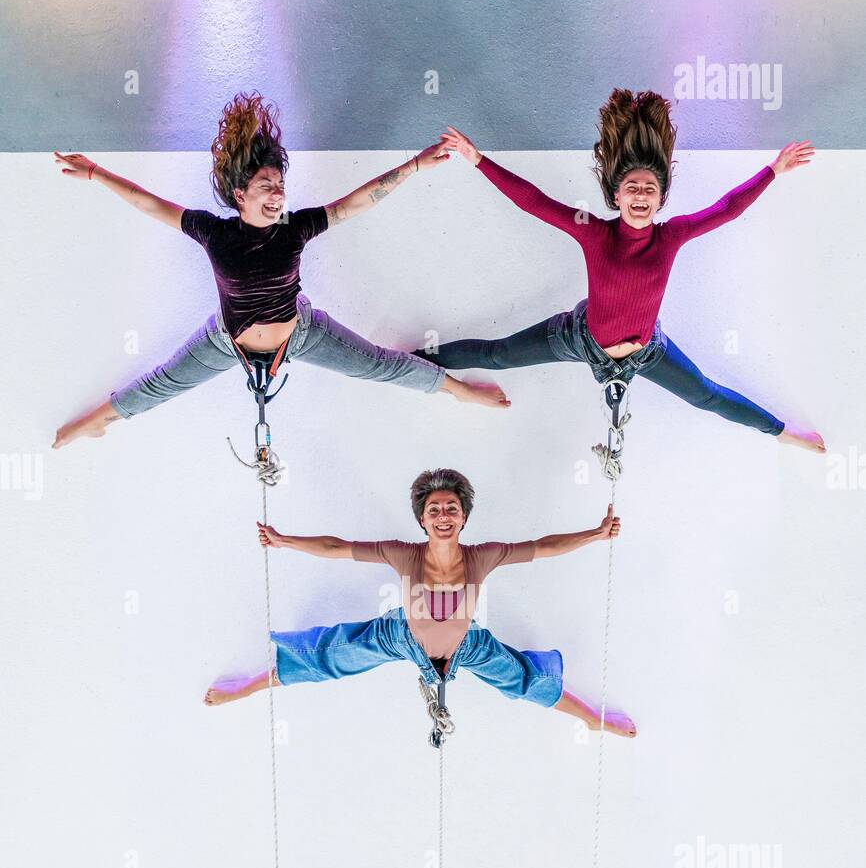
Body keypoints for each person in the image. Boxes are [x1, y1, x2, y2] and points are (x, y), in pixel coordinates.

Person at [53, 91, 508, 449]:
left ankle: (459, 391)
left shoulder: (294, 228)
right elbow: (148, 203)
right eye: (266, 186)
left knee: (378, 365)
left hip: (301, 333)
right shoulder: (214, 232)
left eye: (280, 186)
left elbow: (353, 204)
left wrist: (413, 165)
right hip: (226, 341)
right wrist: (96, 172)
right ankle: (97, 423)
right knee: (163, 385)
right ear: (239, 195)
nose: (277, 195)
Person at [415, 89, 823, 452]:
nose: (640, 195)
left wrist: (773, 170)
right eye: (633, 188)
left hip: (647, 352)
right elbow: (534, 202)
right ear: (616, 195)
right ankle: (405, 362)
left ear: (661, 198)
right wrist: (477, 160)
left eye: (649, 189)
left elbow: (726, 209)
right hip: (579, 339)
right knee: (497, 354)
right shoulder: (594, 233)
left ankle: (782, 432)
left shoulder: (672, 236)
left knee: (706, 396)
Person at [204, 467, 637, 737]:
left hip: (465, 646)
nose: (443, 516)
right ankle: (251, 684)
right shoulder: (403, 553)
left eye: (451, 509)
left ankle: (589, 718)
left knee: (522, 680)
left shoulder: (482, 557)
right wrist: (284, 541)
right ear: (422, 520)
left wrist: (594, 534)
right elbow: (337, 547)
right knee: (329, 656)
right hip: (401, 637)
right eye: (435, 510)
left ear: (463, 517)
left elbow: (543, 547)